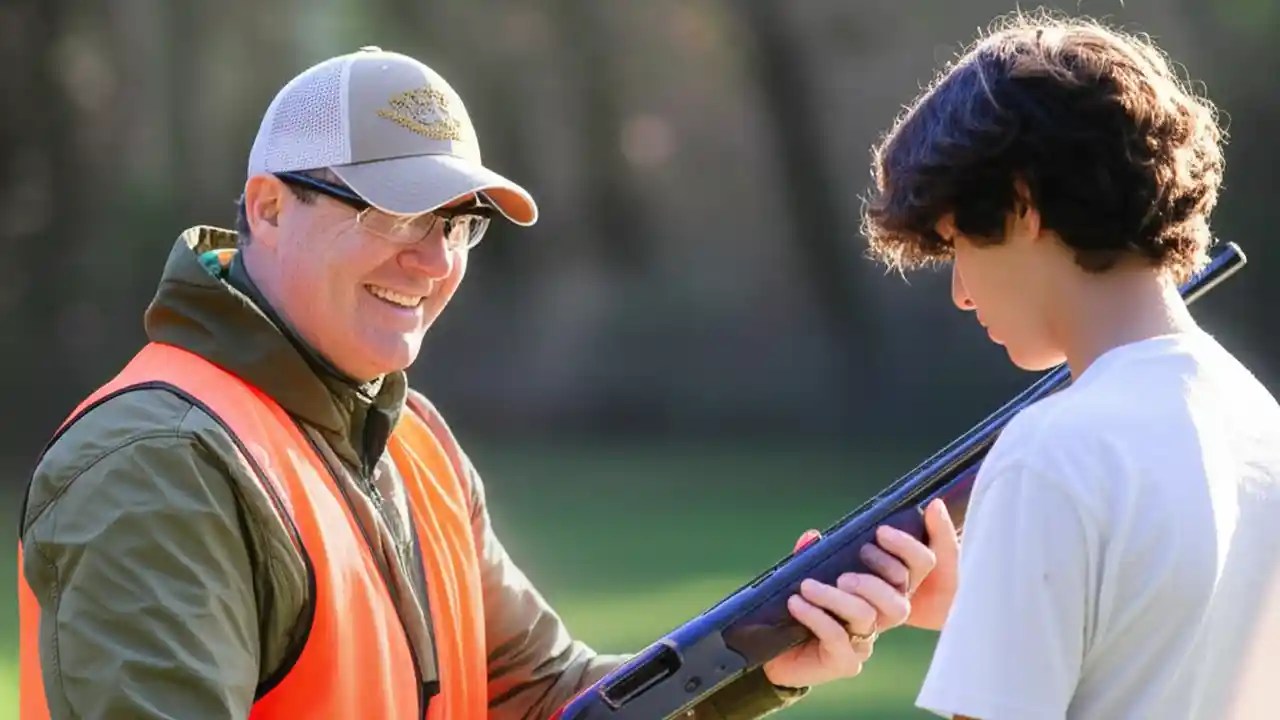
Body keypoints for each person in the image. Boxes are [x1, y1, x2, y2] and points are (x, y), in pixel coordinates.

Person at [18, 46, 957, 719]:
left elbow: (551, 699)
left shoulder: (410, 438)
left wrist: (773, 654)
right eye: (396, 212)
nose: (433, 261)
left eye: (460, 222)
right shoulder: (156, 464)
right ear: (269, 207)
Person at [861, 11, 1280, 720]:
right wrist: (985, 607)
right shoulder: (1256, 420)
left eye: (957, 240)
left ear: (1022, 203)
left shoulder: (1050, 453)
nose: (961, 292)